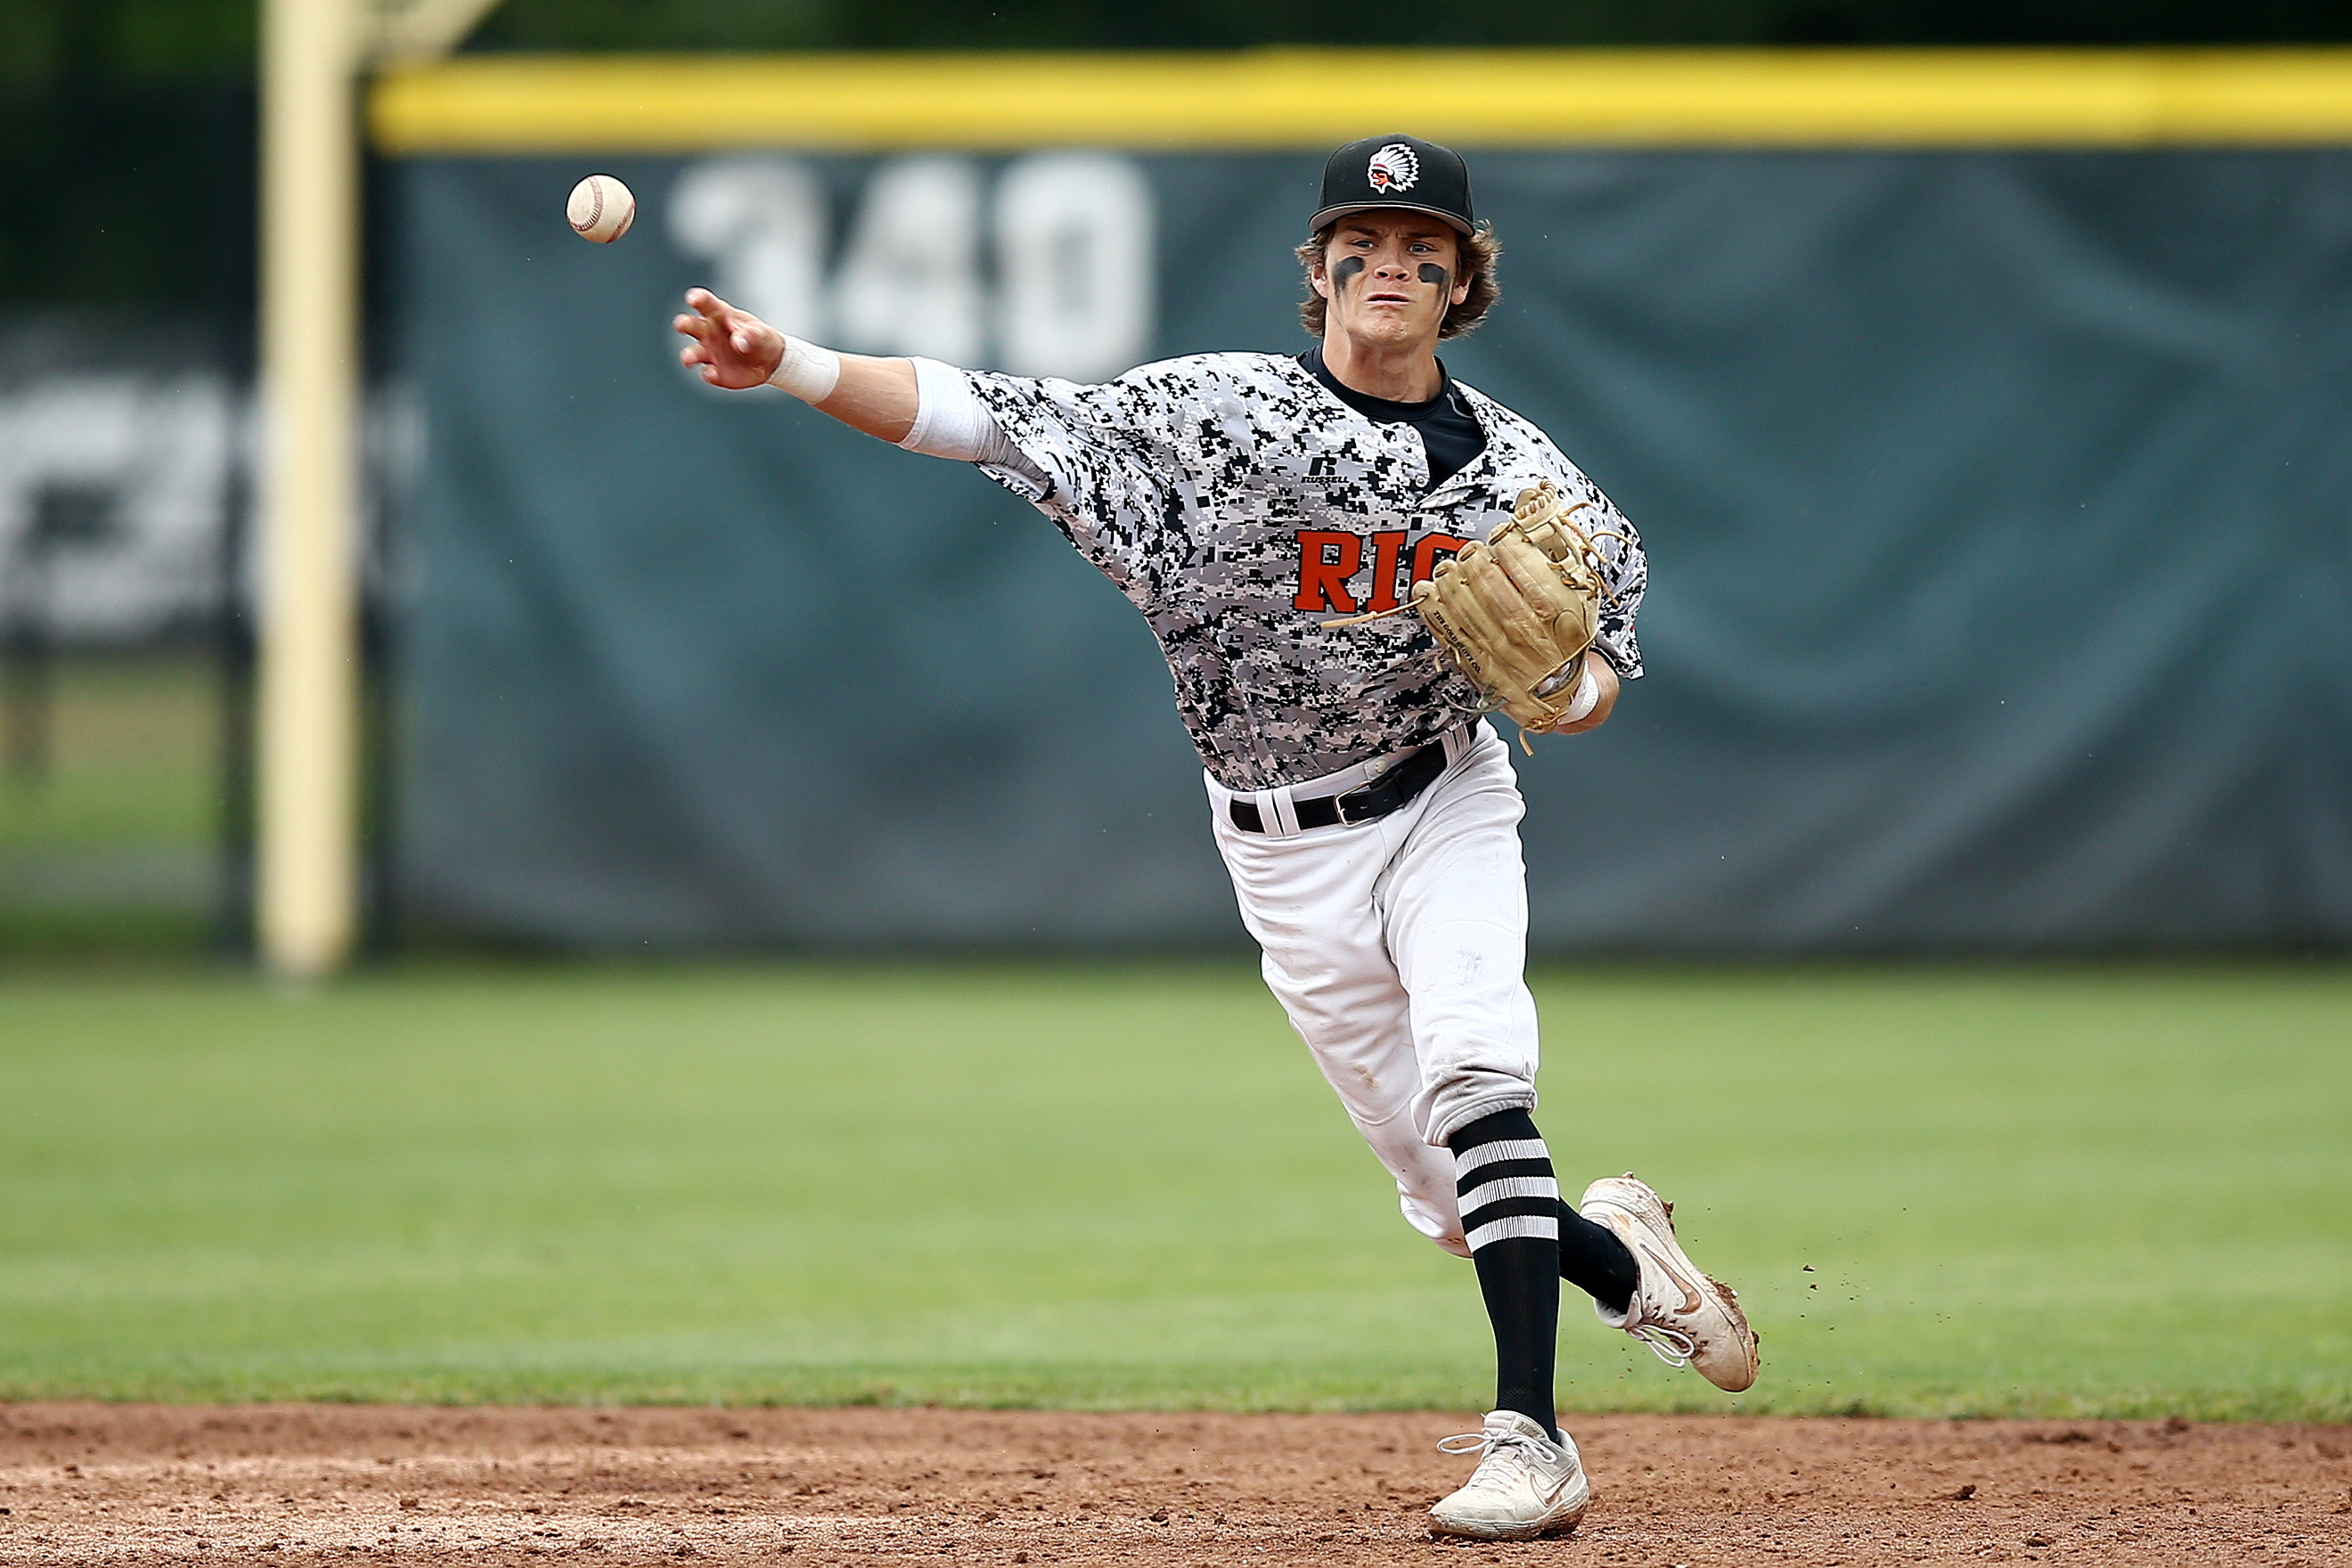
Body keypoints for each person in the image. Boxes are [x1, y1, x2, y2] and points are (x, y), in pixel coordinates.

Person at [674, 133, 1757, 1541]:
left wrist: (1570, 685)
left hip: (1444, 797)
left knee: (1479, 1074)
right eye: (1361, 246)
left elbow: (1603, 665)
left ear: (1460, 290)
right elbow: (987, 412)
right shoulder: (1216, 416)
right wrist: (799, 365)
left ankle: (1532, 1442)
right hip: (1283, 851)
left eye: (1423, 253)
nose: (1390, 267)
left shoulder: (1522, 481)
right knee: (1453, 1201)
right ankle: (1625, 1269)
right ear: (1317, 272)